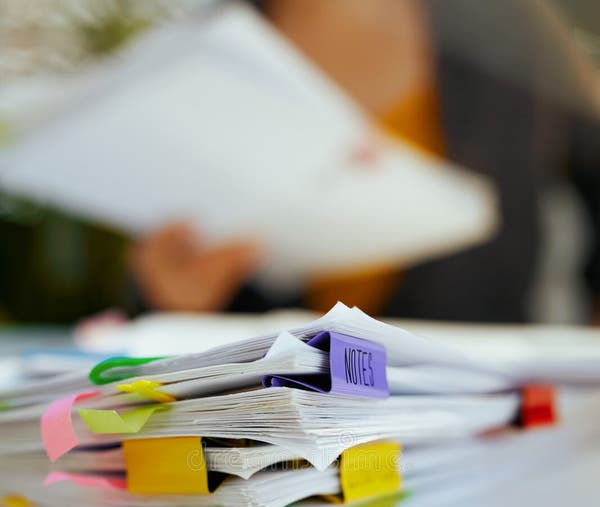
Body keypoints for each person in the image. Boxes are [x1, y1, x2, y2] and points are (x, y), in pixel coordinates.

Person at [116, 1, 600, 322]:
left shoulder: (505, 23)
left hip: (482, 423)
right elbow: (173, 262)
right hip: (281, 431)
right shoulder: (208, 51)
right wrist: (171, 300)